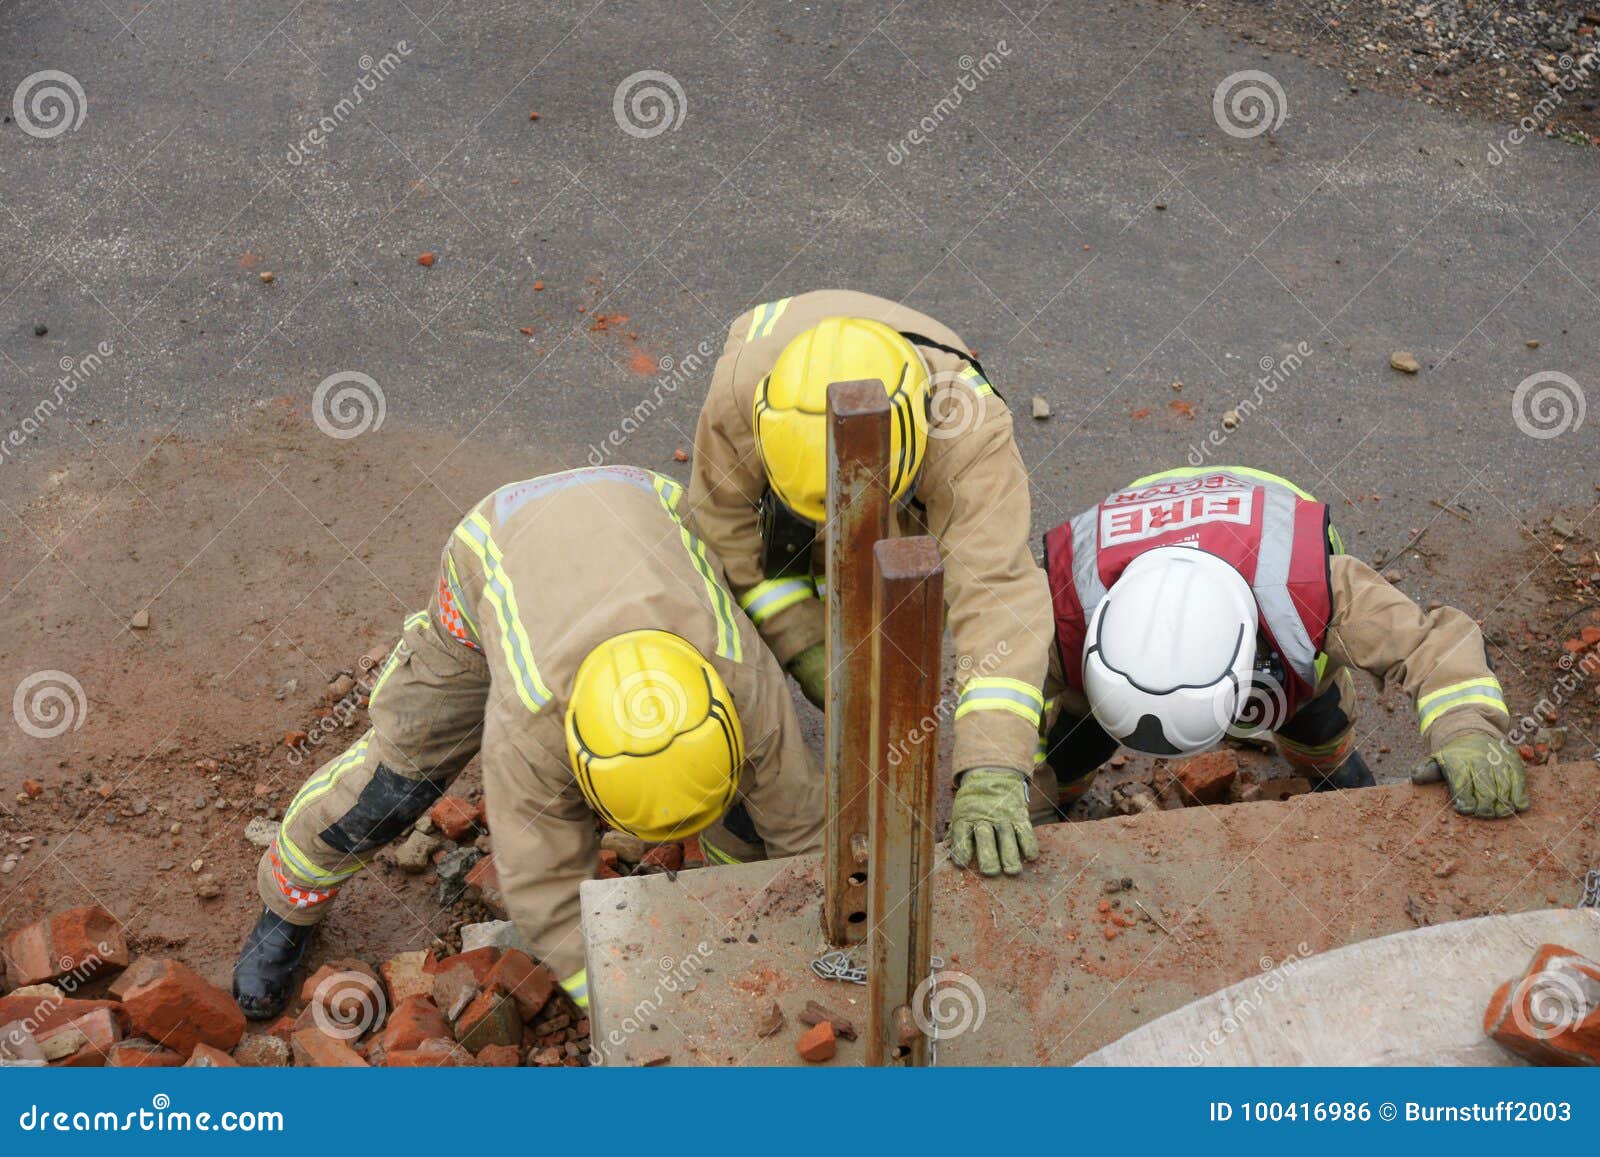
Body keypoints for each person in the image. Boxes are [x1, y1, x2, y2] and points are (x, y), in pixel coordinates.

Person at [232, 466, 824, 1020]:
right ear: (579, 772)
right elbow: (541, 880)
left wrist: (798, 934)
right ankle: (289, 901)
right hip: (498, 544)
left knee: (751, 812)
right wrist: (624, 1003)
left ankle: (720, 900)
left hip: (645, 507)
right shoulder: (529, 726)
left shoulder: (745, 683)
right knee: (395, 788)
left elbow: (803, 832)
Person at [689, 290, 1051, 878]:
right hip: (790, 422)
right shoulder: (740, 392)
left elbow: (997, 596)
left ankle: (916, 761)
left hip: (918, 450)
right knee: (731, 600)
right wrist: (801, 641)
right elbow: (724, 525)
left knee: (906, 601)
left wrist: (992, 766)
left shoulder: (967, 431)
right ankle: (743, 838)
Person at [1036, 466, 1527, 821]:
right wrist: (1001, 783)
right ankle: (1059, 791)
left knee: (1307, 703)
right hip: (1137, 519)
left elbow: (1428, 644)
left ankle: (1329, 771)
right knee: (1071, 740)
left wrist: (1466, 729)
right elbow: (999, 693)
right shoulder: (1060, 606)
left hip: (1259, 511)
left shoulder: (1310, 591)